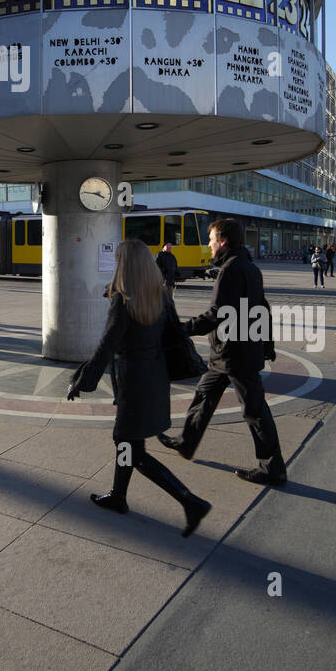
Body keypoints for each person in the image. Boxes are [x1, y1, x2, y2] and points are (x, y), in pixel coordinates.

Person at [66, 238, 211, 538]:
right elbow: (176, 333)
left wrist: (82, 380)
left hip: (134, 380)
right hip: (155, 376)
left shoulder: (124, 297)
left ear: (124, 264)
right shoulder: (160, 294)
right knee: (130, 443)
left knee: (130, 446)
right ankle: (118, 496)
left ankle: (190, 500)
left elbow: (107, 345)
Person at [158, 217, 287, 487]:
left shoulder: (231, 269)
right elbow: (262, 309)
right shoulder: (250, 268)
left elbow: (219, 313)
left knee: (254, 410)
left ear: (223, 241)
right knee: (203, 396)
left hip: (235, 353)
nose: (209, 244)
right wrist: (268, 344)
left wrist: (183, 329)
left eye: (211, 239)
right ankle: (186, 442)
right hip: (230, 352)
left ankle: (272, 468)